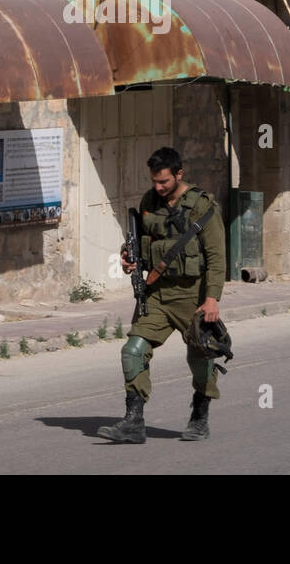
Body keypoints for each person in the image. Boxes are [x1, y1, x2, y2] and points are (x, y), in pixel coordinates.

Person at [98, 147, 226, 444]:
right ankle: (133, 421)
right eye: (154, 181)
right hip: (156, 292)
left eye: (164, 182)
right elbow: (139, 241)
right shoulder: (149, 201)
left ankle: (199, 417)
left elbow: (217, 257)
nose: (158, 187)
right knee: (132, 351)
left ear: (179, 174)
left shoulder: (201, 206)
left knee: (201, 357)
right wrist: (127, 256)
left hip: (193, 295)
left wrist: (212, 299)